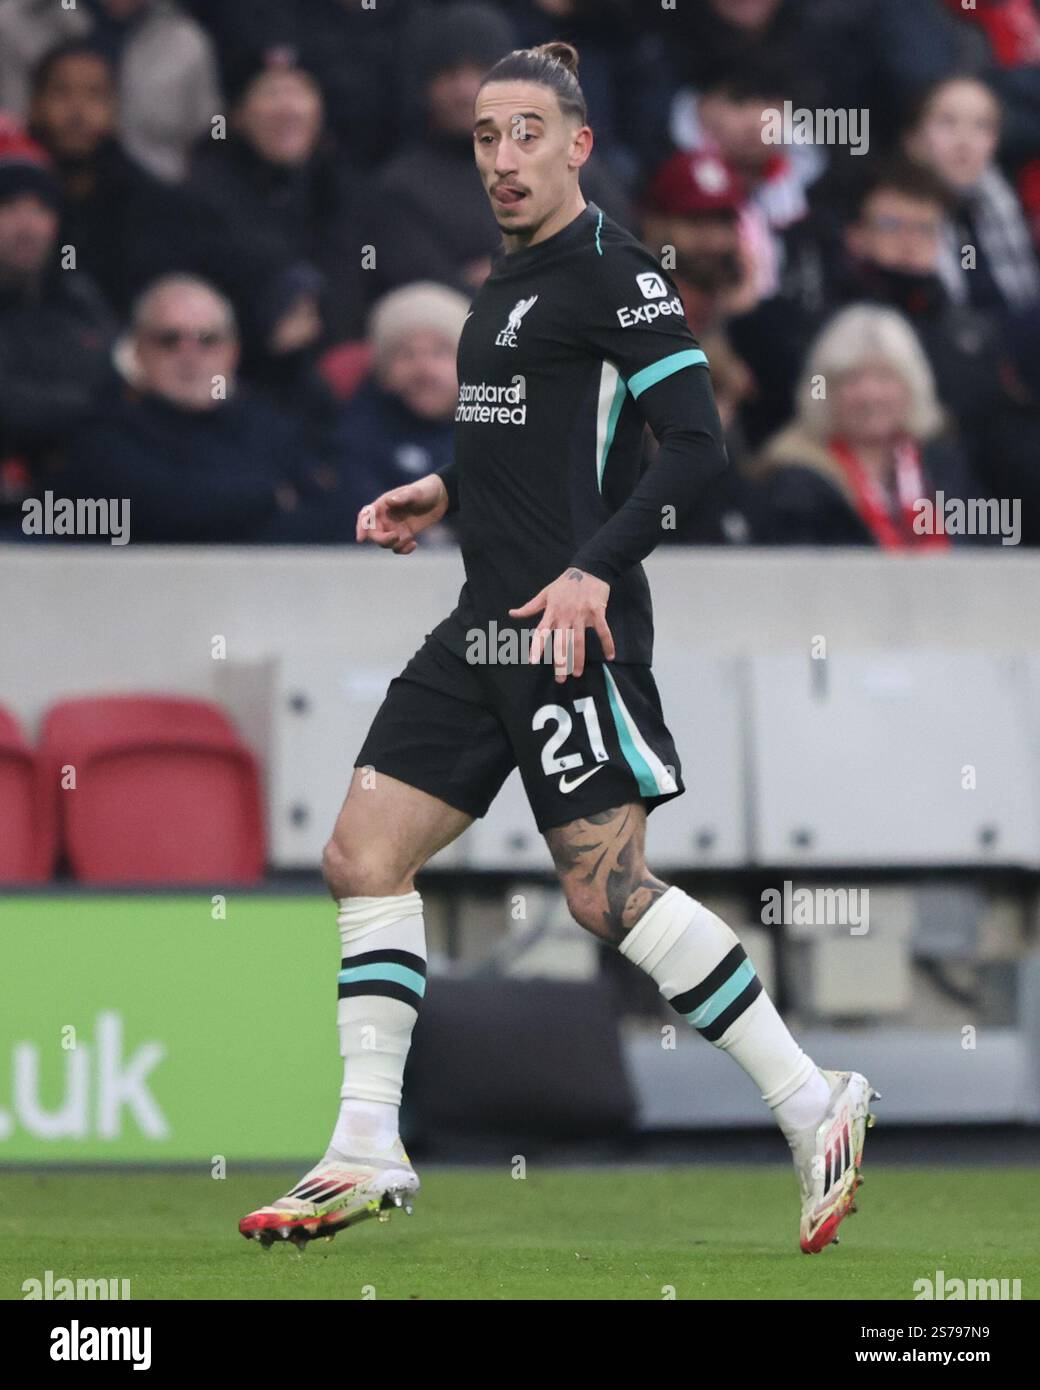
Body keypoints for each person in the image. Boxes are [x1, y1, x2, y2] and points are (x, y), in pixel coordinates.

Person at [238, 41, 878, 1257]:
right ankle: (366, 1145)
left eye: (525, 132)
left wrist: (591, 570)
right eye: (483, 136)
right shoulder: (507, 276)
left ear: (577, 143)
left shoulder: (613, 270)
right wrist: (443, 490)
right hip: (481, 622)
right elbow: (532, 449)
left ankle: (811, 1099)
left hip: (566, 634)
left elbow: (693, 448)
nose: (501, 157)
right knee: (360, 855)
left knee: (605, 893)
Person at [65, 275, 332, 542]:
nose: (189, 354)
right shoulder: (105, 432)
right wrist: (270, 496)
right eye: (169, 340)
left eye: (208, 339)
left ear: (233, 352)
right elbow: (161, 510)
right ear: (138, 351)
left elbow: (327, 507)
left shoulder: (272, 427)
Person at [753, 304, 981, 546]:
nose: (870, 395)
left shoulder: (943, 467)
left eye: (885, 377)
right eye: (852, 379)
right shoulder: (795, 481)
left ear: (911, 387)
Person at [0, 119, 115, 536]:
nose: (27, 226)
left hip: (77, 502)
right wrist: (84, 410)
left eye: (40, 209)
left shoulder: (80, 299)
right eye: (9, 207)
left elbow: (114, 380)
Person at [0, 0, 219, 181]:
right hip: (30, 204)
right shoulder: (16, 22)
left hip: (152, 212)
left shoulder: (186, 41)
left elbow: (209, 135)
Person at [902, 73, 1040, 314]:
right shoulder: (895, 212)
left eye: (981, 125)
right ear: (914, 137)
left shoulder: (1009, 204)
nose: (964, 141)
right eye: (947, 122)